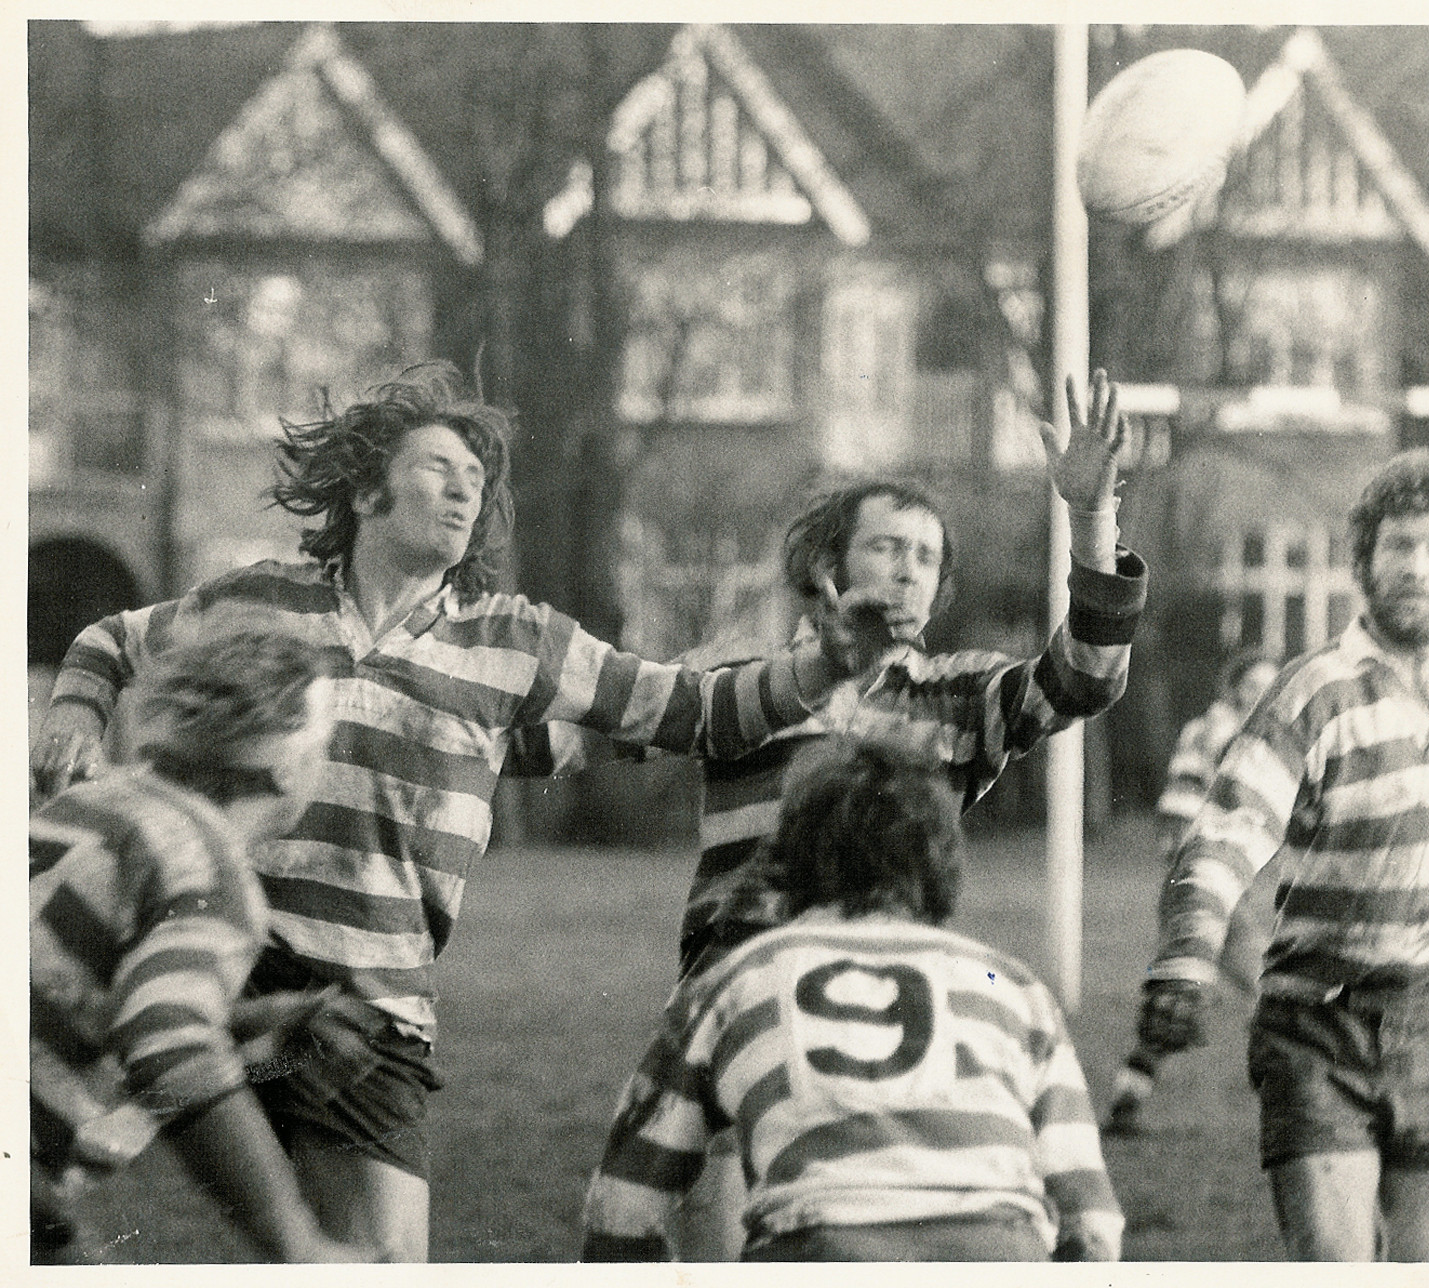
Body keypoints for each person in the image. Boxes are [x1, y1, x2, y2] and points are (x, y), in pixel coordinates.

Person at [29, 363, 887, 1262]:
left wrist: (823, 666)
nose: (464, 490)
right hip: (230, 962)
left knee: (382, 1265)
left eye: (476, 479)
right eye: (439, 467)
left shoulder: (516, 641)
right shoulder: (257, 602)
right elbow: (110, 641)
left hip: (357, 1008)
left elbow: (693, 710)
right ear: (368, 491)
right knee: (119, 1117)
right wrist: (74, 715)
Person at [665, 370, 1148, 1257]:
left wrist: (1090, 519)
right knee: (718, 1253)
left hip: (881, 1013)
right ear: (828, 567)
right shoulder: (741, 684)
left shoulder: (955, 698)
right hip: (737, 995)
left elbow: (1084, 677)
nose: (908, 569)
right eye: (888, 547)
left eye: (927, 557)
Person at [1138, 447, 1429, 1262]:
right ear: (1365, 558)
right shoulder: (1312, 691)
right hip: (1319, 1025)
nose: (1416, 566)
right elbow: (1223, 836)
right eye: (1398, 545)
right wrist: (1184, 963)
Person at [581, 735, 1125, 1262]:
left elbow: (621, 1210)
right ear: (941, 859)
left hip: (819, 1251)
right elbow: (1094, 1226)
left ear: (791, 858)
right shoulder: (1015, 990)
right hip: (998, 1253)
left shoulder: (734, 983)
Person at [29, 627, 376, 1264]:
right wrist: (299, 1244)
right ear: (287, 767)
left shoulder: (87, 805)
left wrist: (252, 1030)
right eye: (325, 746)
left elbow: (74, 1001)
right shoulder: (210, 869)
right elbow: (169, 1045)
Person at [1103, 648, 1280, 1136]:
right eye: (1254, 686)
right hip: (1208, 883)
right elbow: (1219, 782)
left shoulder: (1213, 730)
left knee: (1178, 996)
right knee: (1273, 992)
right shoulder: (1223, 732)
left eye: (1270, 687)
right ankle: (1294, 1104)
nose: (1263, 695)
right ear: (1235, 689)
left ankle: (1127, 1099)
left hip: (1204, 882)